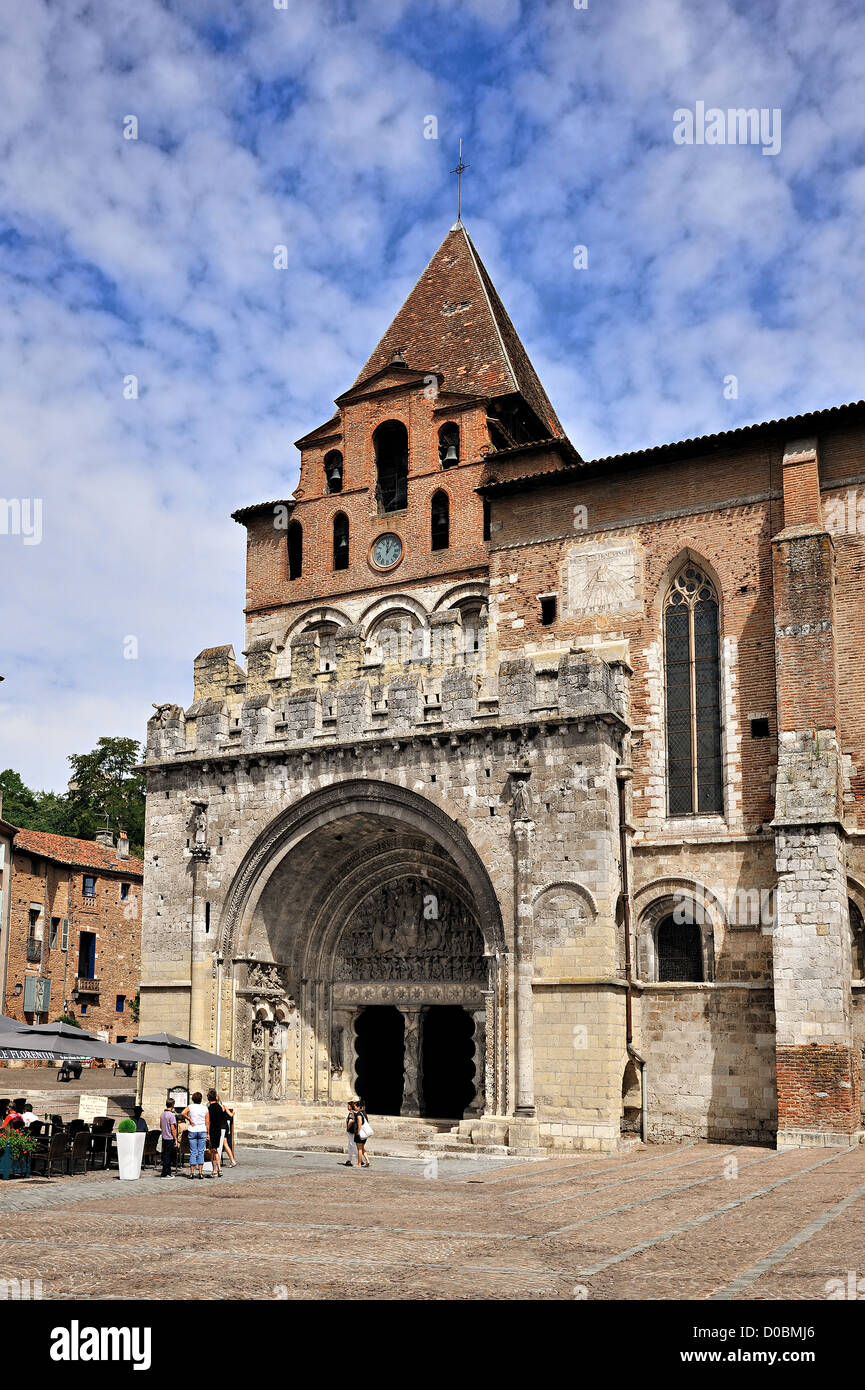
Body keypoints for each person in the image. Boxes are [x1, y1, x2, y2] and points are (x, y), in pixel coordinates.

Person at [181, 1092, 210, 1179]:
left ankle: (191, 1173)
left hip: (192, 1130)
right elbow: (207, 1122)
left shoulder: (190, 1107)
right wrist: (208, 1133)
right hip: (202, 1130)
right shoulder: (205, 1108)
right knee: (201, 1152)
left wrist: (190, 1119)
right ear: (201, 1099)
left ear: (193, 1099)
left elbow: (183, 1113)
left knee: (193, 1152)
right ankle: (200, 1173)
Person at [206, 1089, 227, 1177]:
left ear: (209, 1098)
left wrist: (208, 1133)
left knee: (213, 1151)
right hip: (218, 1130)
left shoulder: (210, 1108)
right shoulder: (219, 1107)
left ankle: (215, 1170)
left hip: (212, 1131)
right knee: (216, 1151)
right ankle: (218, 1169)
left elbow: (209, 1121)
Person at [160, 1098, 178, 1178]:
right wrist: (176, 1139)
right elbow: (173, 1128)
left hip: (164, 1137)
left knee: (165, 1155)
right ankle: (166, 1173)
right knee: (169, 1156)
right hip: (170, 1138)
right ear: (173, 1105)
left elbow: (161, 1126)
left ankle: (166, 1172)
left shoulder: (162, 1114)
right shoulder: (171, 1115)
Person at [353, 1100, 371, 1168]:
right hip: (365, 1134)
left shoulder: (359, 1114)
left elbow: (360, 1122)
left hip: (361, 1134)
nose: (354, 1107)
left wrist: (358, 1131)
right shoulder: (363, 1112)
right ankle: (367, 1161)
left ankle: (359, 1163)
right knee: (362, 1148)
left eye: (355, 1106)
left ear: (359, 1106)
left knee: (359, 1149)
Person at [220, 1101, 237, 1167]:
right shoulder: (224, 1106)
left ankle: (232, 1161)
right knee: (225, 1144)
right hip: (225, 1126)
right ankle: (232, 1160)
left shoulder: (216, 1107)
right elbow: (231, 1115)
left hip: (220, 1127)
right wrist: (233, 1112)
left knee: (223, 1144)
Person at [343, 1101, 358, 1167]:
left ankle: (360, 1160)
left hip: (351, 1131)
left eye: (348, 1105)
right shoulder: (354, 1112)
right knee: (350, 1146)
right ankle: (349, 1160)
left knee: (353, 1144)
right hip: (352, 1131)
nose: (347, 1106)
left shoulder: (351, 1113)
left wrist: (347, 1128)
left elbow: (351, 1121)